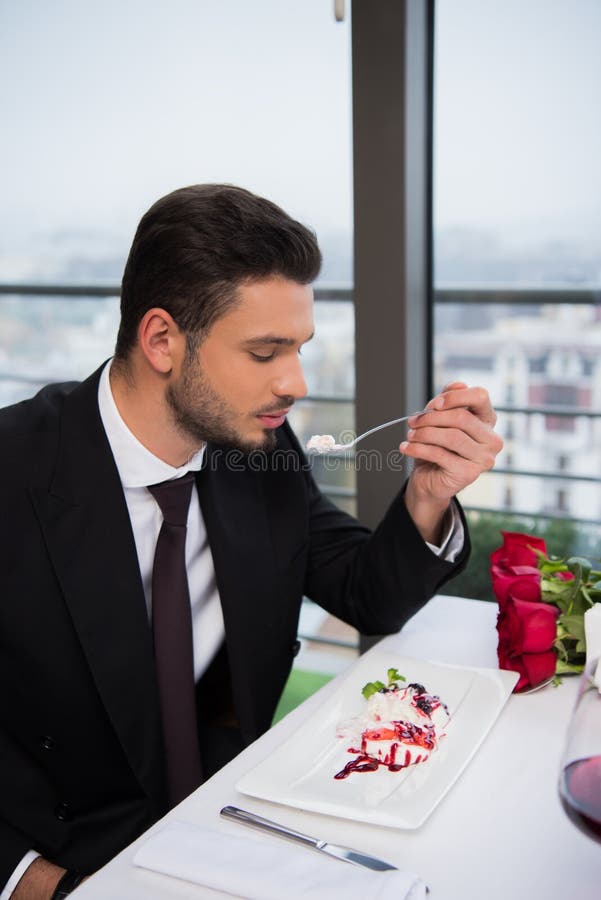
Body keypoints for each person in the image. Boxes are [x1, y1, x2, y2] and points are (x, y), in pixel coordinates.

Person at [0, 184, 502, 899]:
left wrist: (427, 493)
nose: (294, 382)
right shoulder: (14, 472)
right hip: (69, 863)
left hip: (236, 832)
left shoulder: (257, 450)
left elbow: (366, 594)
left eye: (297, 349)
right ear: (162, 341)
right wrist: (40, 885)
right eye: (265, 351)